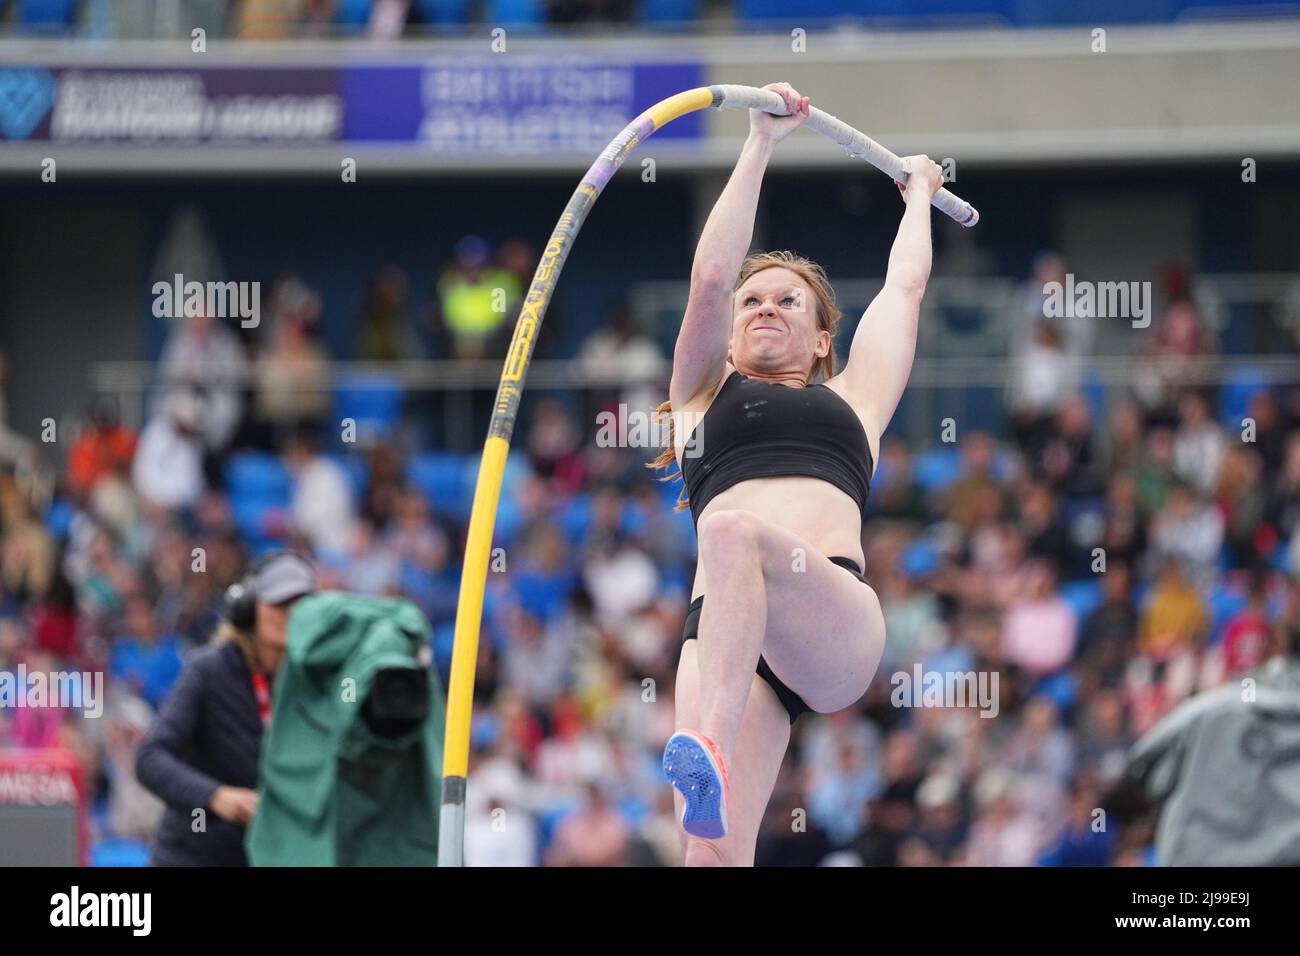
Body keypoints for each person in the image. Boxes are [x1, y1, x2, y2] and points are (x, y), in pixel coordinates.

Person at [647, 81, 943, 865]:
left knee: (734, 530)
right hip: (723, 640)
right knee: (707, 854)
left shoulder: (857, 399)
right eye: (754, 302)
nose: (763, 308)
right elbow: (711, 276)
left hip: (827, 618)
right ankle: (711, 757)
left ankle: (706, 743)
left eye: (788, 301)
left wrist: (918, 197)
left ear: (821, 342)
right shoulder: (697, 397)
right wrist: (759, 143)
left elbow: (904, 286)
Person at [134, 551, 317, 866]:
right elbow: (150, 758)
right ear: (248, 610)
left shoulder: (317, 684)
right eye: (279, 603)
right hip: (194, 858)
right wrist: (216, 797)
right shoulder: (210, 670)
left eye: (300, 605)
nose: (290, 614)